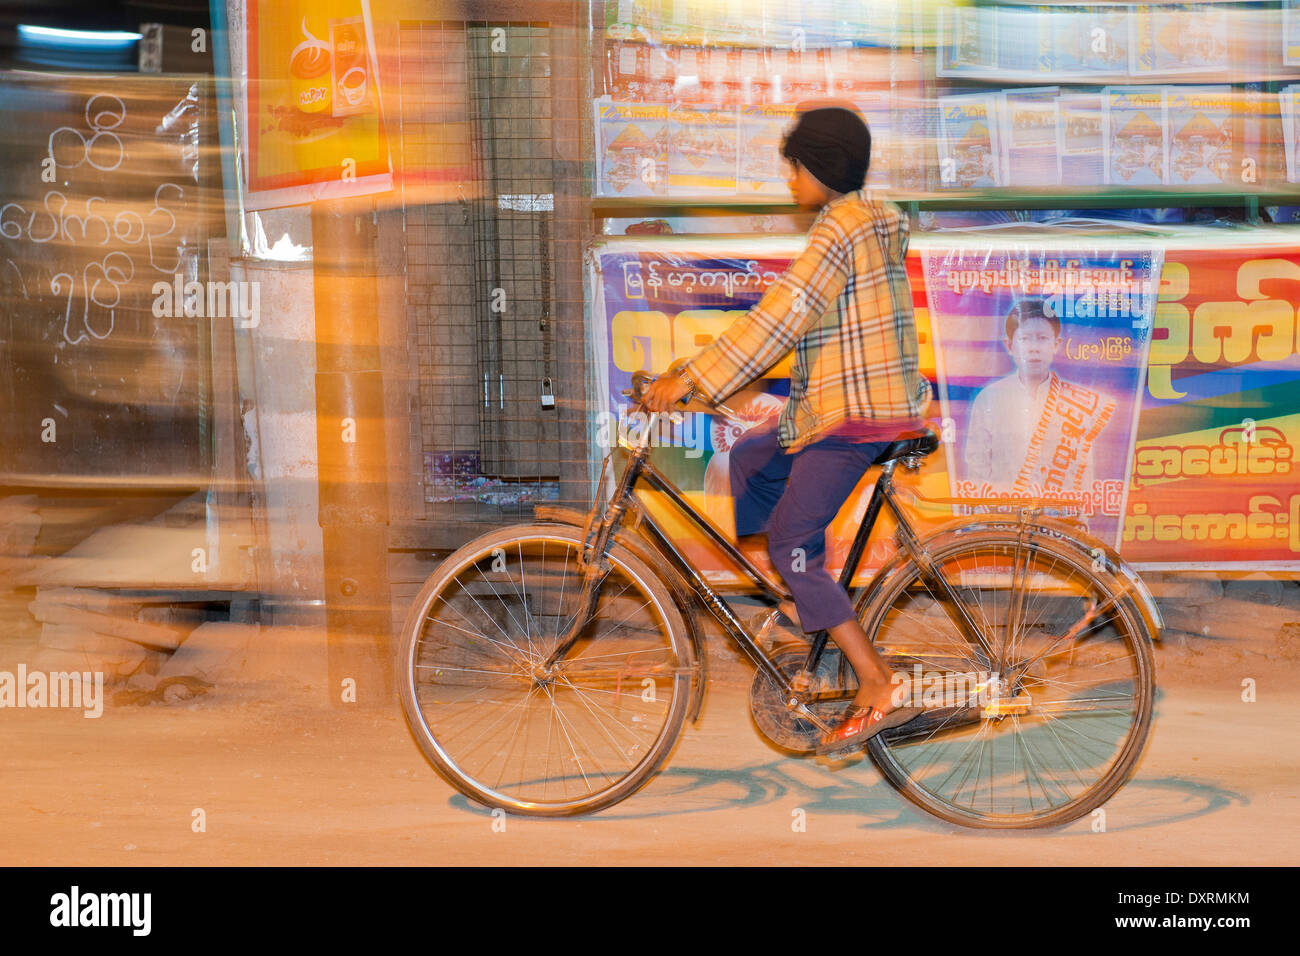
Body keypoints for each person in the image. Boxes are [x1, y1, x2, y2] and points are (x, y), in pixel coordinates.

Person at [643, 105, 931, 754]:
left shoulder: (841, 231)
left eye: (794, 167)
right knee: (750, 459)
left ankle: (876, 680)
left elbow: (779, 322)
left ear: (817, 167)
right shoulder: (865, 223)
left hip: (855, 416)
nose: (790, 180)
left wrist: (690, 379)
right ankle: (805, 608)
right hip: (846, 406)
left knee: (794, 540)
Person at [964, 299, 1115, 501]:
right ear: (1009, 345)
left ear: (1056, 344)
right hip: (1003, 519)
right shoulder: (989, 399)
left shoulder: (1076, 404)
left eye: (1042, 338)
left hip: (1056, 520)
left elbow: (1083, 472)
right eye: (1025, 339)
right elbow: (977, 468)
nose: (1034, 348)